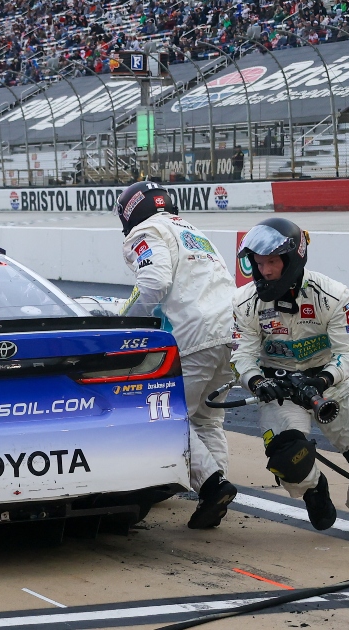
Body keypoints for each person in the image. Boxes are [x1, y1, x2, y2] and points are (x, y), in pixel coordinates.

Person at [231, 217, 349, 539]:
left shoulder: (334, 295)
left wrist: (321, 381)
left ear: (293, 258)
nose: (264, 271)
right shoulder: (243, 301)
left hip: (330, 386)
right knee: (288, 458)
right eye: (258, 263)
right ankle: (313, 488)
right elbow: (241, 354)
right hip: (280, 391)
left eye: (272, 262)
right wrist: (256, 382)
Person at [115, 181, 239, 529]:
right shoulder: (193, 231)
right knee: (208, 421)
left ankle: (213, 486)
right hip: (232, 333)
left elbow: (153, 282)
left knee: (165, 417)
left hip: (193, 335)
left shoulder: (146, 231)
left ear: (131, 211)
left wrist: (128, 321)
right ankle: (214, 492)